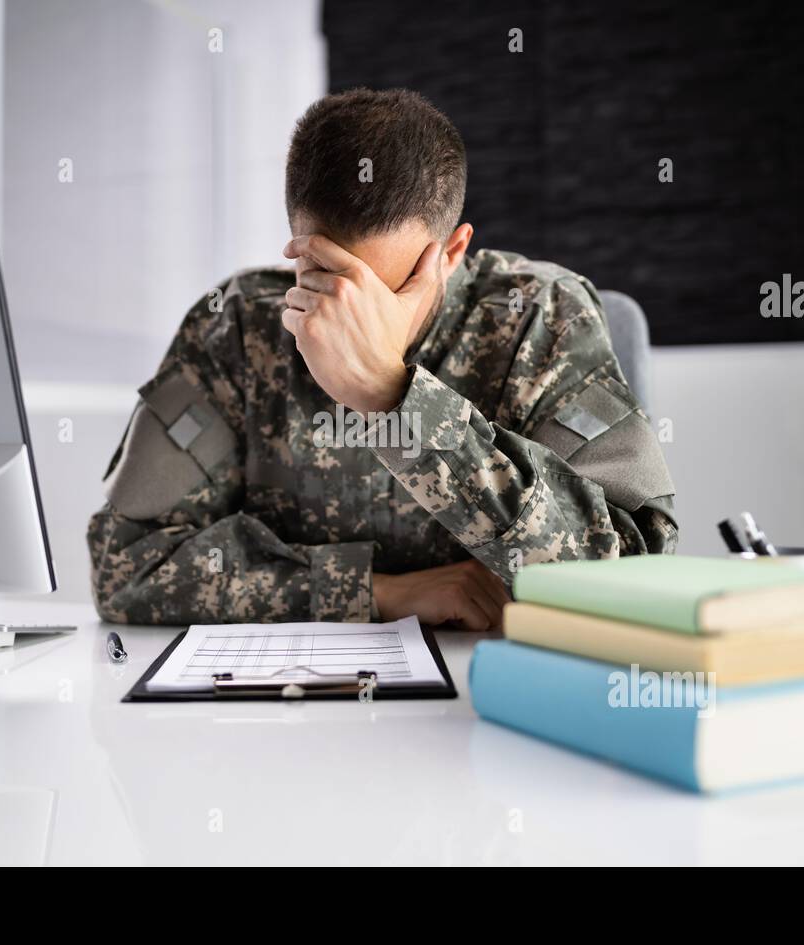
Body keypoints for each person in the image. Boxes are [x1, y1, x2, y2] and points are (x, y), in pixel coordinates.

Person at [88, 88, 676, 629]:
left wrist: (396, 397)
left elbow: (630, 576)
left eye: (389, 291)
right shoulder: (237, 328)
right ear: (294, 242)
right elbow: (126, 569)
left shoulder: (541, 317)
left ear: (452, 251)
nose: (355, 318)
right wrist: (378, 592)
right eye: (327, 281)